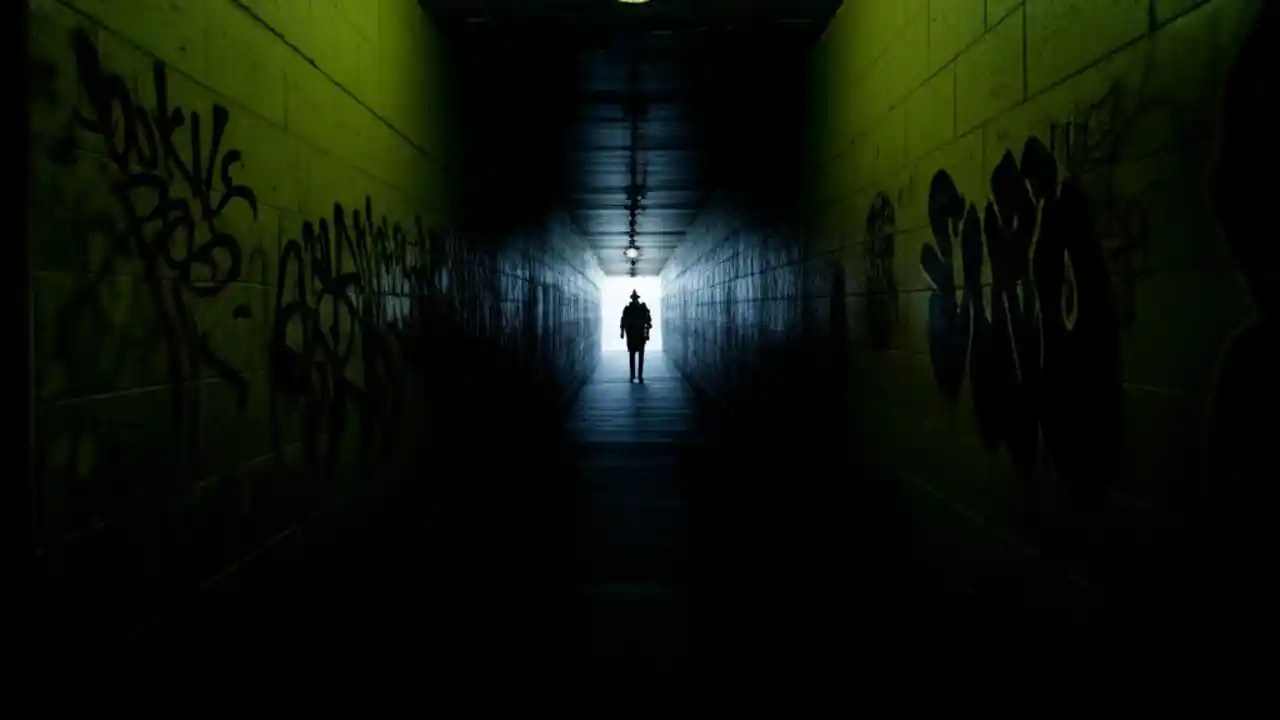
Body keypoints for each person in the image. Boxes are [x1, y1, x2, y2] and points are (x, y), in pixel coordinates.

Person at [620, 289, 653, 383]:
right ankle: (636, 375)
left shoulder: (631, 308)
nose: (634, 299)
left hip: (635, 335)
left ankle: (636, 375)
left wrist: (622, 332)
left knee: (635, 356)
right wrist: (622, 331)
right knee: (635, 356)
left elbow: (623, 321)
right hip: (636, 335)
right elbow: (623, 321)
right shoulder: (639, 308)